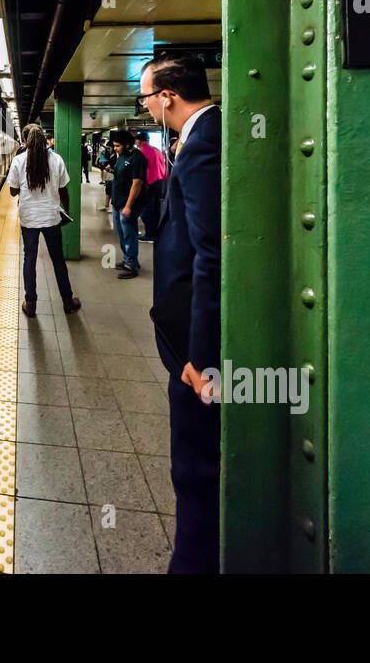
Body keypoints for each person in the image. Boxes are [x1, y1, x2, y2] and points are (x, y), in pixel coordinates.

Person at [138, 53, 221, 574]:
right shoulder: (204, 136)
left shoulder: (204, 142)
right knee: (195, 467)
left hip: (198, 356)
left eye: (146, 97)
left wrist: (202, 357)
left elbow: (212, 252)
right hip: (189, 338)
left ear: (168, 95)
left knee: (194, 469)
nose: (145, 108)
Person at [6, 124, 81, 317]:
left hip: (29, 218)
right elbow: (63, 189)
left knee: (29, 258)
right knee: (58, 260)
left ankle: (30, 304)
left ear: (25, 141)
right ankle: (67, 302)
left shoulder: (19, 160)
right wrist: (67, 208)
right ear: (44, 139)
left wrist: (24, 186)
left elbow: (13, 191)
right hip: (51, 217)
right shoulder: (56, 159)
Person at [106, 129, 147, 279]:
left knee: (129, 233)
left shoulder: (138, 159)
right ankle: (129, 259)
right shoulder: (122, 156)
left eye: (117, 146)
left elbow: (137, 184)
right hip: (118, 201)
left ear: (127, 144)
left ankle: (131, 265)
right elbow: (121, 173)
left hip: (128, 203)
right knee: (121, 233)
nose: (115, 148)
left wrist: (129, 206)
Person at [133, 131, 168, 242]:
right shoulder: (156, 150)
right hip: (160, 183)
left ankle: (150, 234)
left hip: (149, 184)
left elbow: (144, 171)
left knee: (146, 211)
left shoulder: (141, 152)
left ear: (139, 141)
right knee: (156, 209)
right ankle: (157, 232)